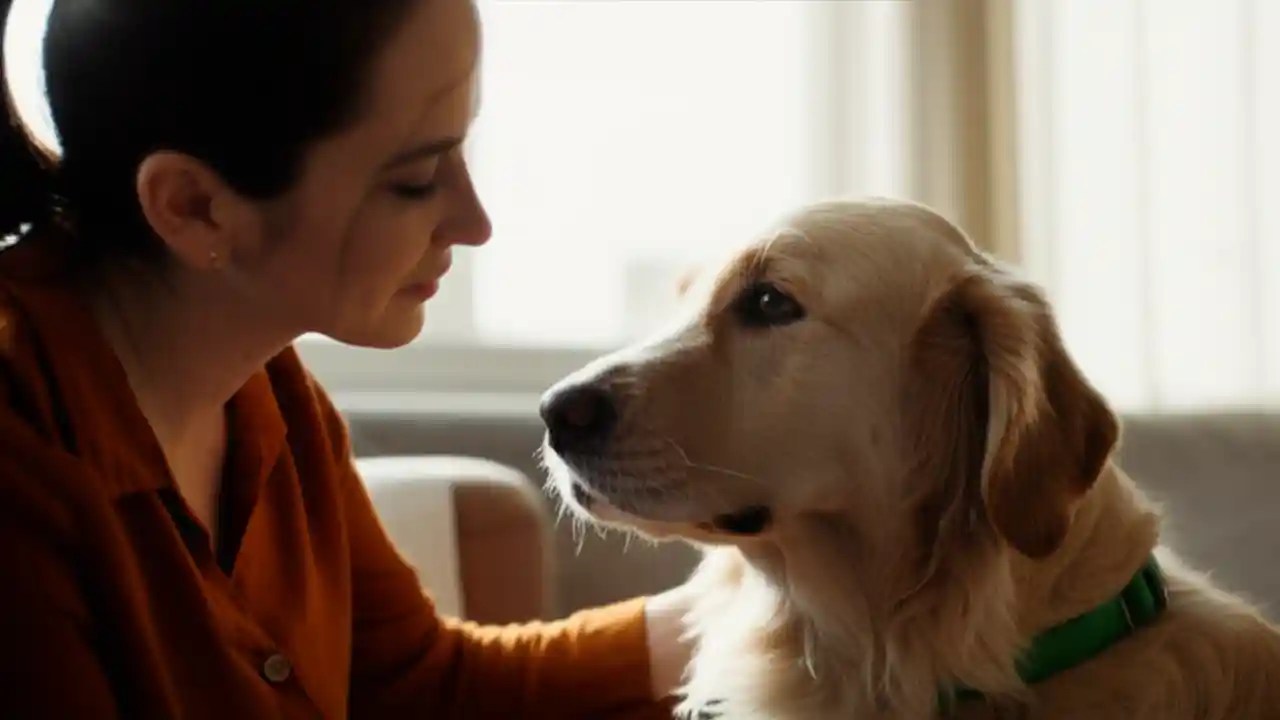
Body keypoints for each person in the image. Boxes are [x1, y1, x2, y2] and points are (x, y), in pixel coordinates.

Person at [0, 0, 694, 717]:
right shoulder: (25, 467)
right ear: (193, 206)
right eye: (417, 180)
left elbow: (417, 683)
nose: (474, 221)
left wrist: (744, 614)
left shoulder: (269, 394)